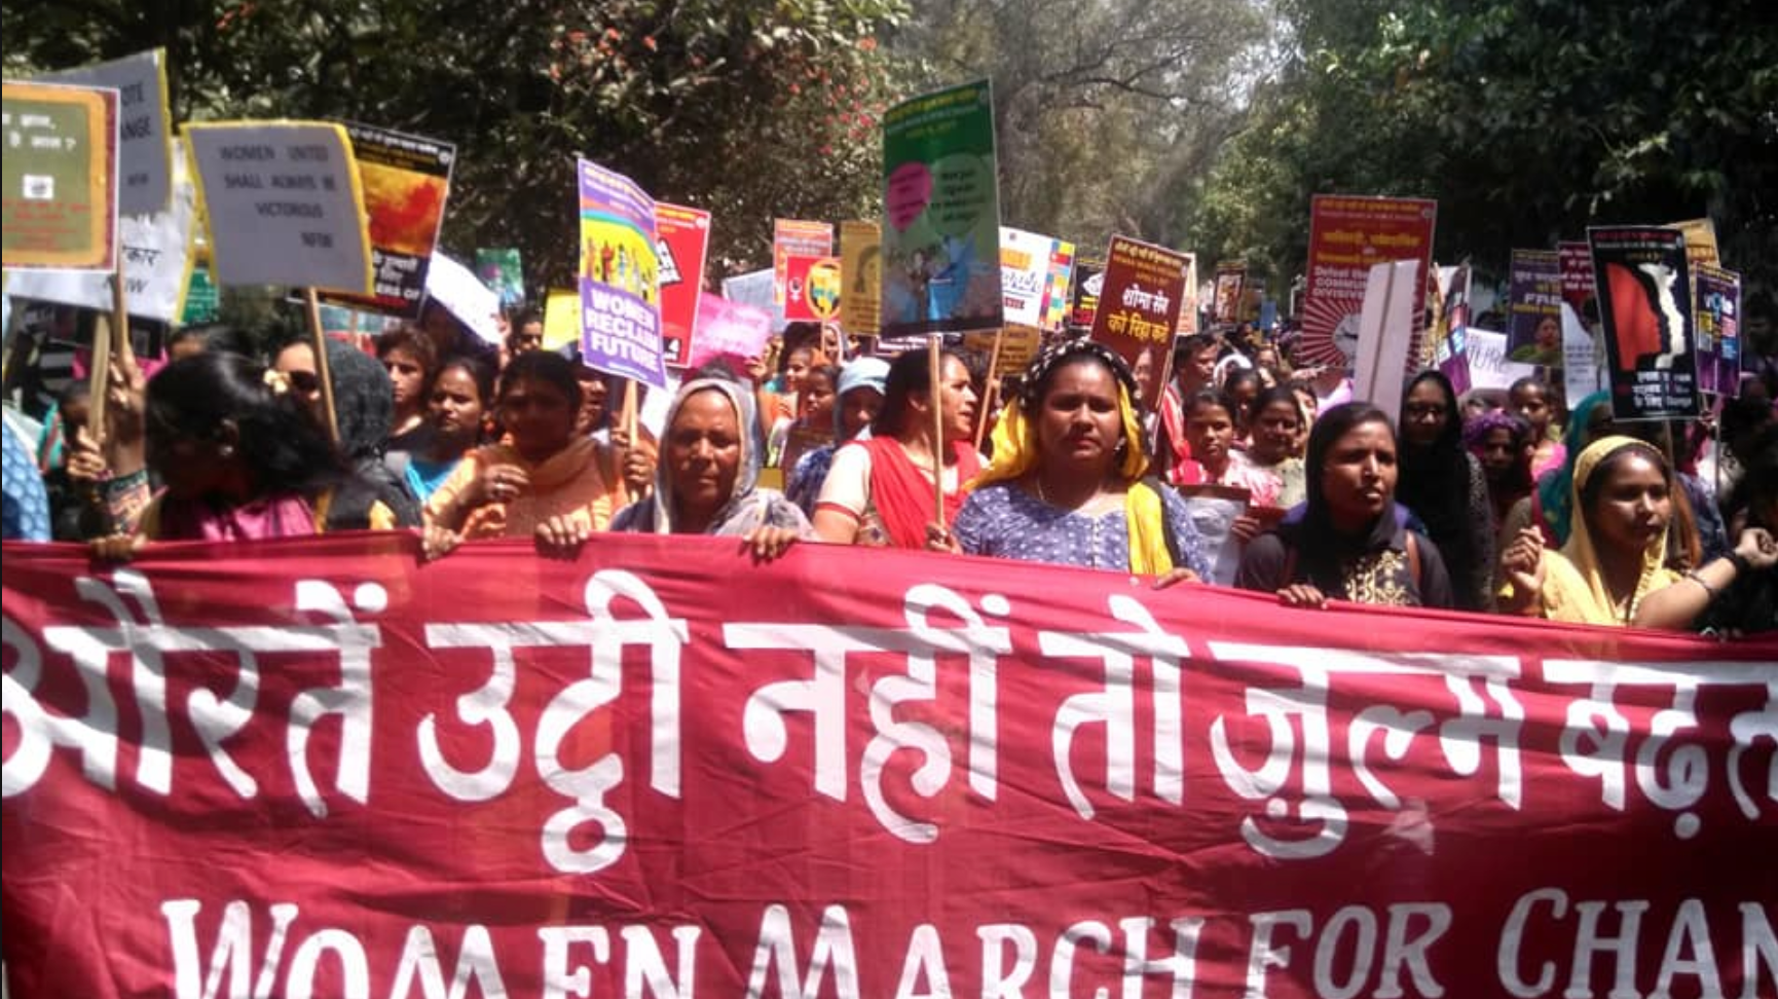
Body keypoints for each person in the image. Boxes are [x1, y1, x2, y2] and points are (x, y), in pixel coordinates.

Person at [950, 339, 1208, 581]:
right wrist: (947, 568)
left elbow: (1208, 604)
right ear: (1035, 416)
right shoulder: (991, 509)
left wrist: (1193, 593)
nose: (1083, 419)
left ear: (1124, 421)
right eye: (1066, 404)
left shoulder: (1165, 509)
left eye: (1100, 406)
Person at [1498, 436, 1778, 628]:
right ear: (1587, 505)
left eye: (1658, 494)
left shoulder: (1674, 585)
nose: (1647, 508)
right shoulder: (1544, 573)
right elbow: (1511, 664)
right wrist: (1526, 602)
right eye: (1626, 494)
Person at [91, 353, 350, 549]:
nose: (153, 457)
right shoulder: (164, 514)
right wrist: (124, 558)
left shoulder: (327, 514)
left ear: (226, 439)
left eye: (165, 441)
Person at [1236, 403, 1455, 609]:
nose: (1373, 471)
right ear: (1321, 468)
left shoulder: (1419, 555)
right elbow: (1240, 632)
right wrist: (1289, 616)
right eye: (1354, 457)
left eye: (1385, 459)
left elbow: (1442, 635)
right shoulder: (1273, 555)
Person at [423, 351, 628, 556]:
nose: (533, 414)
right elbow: (421, 546)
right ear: (501, 413)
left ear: (573, 411)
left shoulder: (610, 467)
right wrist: (464, 502)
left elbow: (631, 552)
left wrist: (580, 546)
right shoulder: (480, 467)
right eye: (518, 404)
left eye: (547, 403)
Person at [610, 370, 811, 559]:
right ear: (666, 447)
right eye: (687, 439)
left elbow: (819, 576)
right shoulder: (632, 524)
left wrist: (794, 555)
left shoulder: (775, 519)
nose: (702, 454)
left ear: (747, 451)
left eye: (721, 441)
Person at [813, 348, 980, 549]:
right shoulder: (858, 462)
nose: (972, 398)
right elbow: (826, 554)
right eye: (958, 387)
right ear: (918, 400)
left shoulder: (981, 467)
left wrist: (958, 562)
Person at [1396, 370, 1493, 611]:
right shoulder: (1385, 463)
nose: (1429, 419)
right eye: (1416, 409)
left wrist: (1484, 602)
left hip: (1455, 595)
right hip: (1393, 588)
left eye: (1438, 411)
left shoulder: (1467, 467)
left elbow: (1481, 542)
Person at [786, 357, 888, 517]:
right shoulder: (809, 460)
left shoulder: (896, 469)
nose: (861, 416)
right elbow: (770, 470)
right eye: (853, 404)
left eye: (874, 407)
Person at [404, 355, 495, 504]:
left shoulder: (491, 472)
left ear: (486, 410)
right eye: (438, 398)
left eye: (460, 399)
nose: (446, 407)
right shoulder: (402, 467)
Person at [1175, 390, 1281, 506]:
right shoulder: (1173, 480)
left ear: (1234, 431)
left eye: (1219, 426)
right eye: (1199, 426)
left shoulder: (1260, 484)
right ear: (1184, 430)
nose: (1209, 435)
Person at [1464, 409, 1535, 547]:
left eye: (1508, 450)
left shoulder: (1522, 498)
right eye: (1490, 447)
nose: (1499, 457)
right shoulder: (1458, 495)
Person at [1156, 333, 1220, 482]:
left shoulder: (1213, 397)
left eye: (1213, 361)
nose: (1211, 366)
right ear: (1181, 367)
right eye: (1203, 361)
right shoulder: (1162, 403)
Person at [376, 325, 439, 455]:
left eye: (406, 370)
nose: (393, 377)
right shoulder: (363, 425)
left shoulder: (434, 438)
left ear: (426, 377)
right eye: (387, 367)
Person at [771, 362, 837, 471]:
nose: (810, 398)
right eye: (807, 391)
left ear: (838, 397)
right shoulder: (784, 429)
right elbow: (770, 472)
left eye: (819, 393)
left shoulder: (845, 440)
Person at [1508, 376, 1565, 478]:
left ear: (1551, 412)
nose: (1524, 412)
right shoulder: (1500, 450)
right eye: (1517, 406)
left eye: (1534, 406)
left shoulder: (1563, 455)